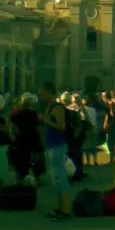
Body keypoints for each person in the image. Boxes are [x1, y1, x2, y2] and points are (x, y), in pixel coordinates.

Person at [38, 81, 72, 220]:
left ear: (49, 92)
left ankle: (65, 210)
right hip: (51, 146)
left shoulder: (57, 108)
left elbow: (61, 126)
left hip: (58, 146)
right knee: (56, 179)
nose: (40, 97)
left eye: (42, 94)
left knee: (60, 178)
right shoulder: (49, 107)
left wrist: (45, 120)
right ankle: (60, 208)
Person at [10, 93, 45, 185]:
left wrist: (13, 137)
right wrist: (41, 139)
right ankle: (37, 178)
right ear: (31, 104)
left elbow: (13, 127)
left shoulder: (17, 114)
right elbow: (37, 127)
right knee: (35, 160)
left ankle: (20, 179)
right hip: (33, 139)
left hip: (21, 139)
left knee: (22, 160)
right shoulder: (33, 114)